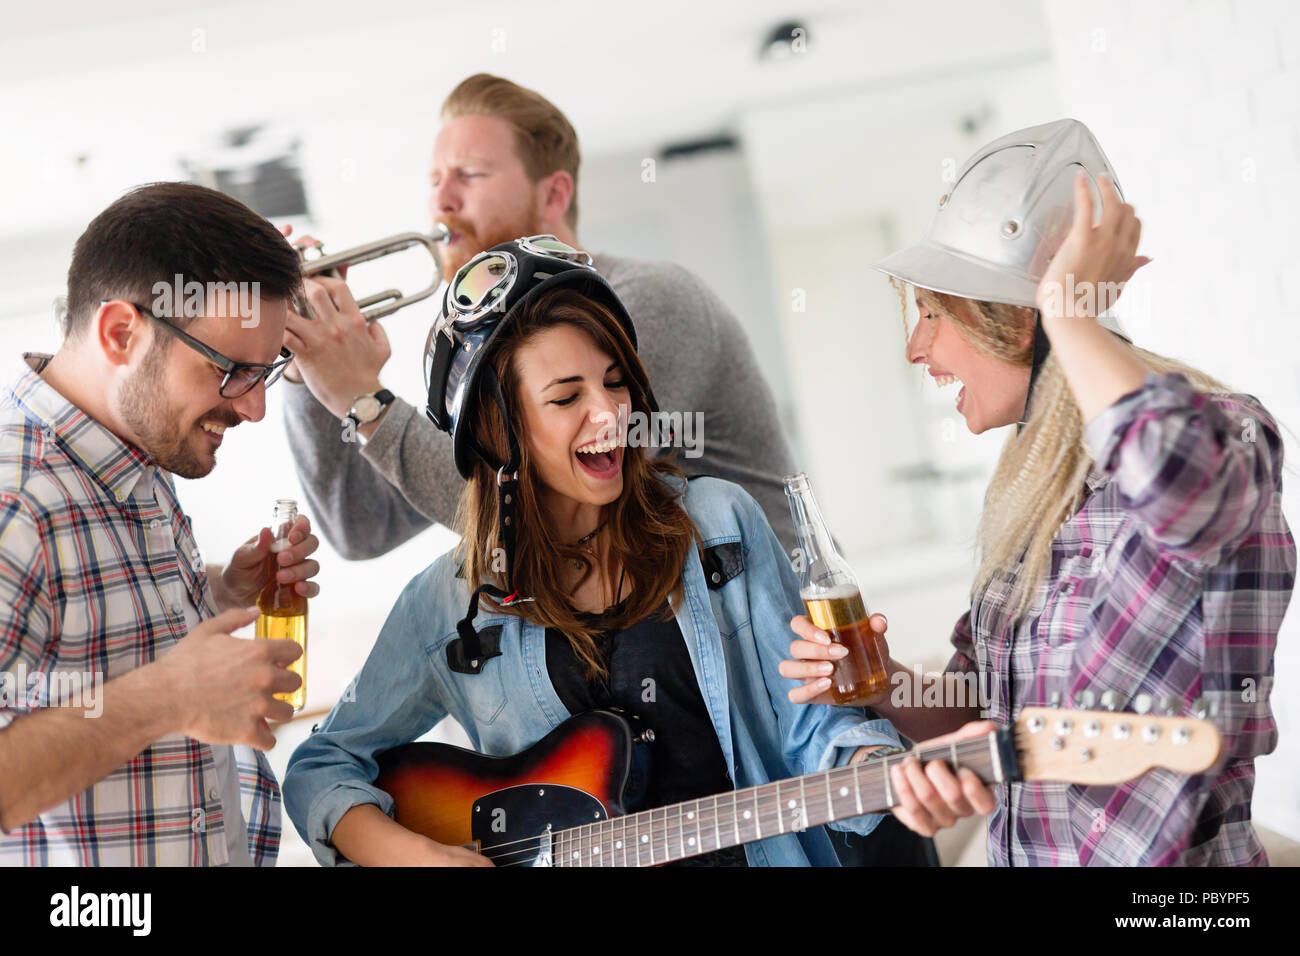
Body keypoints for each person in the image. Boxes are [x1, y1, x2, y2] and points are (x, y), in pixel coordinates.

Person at [280, 72, 936, 866]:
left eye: (472, 175)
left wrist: (367, 402)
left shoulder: (653, 317)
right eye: (566, 395)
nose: (612, 413)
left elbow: (820, 732)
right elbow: (367, 531)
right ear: (501, 425)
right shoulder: (448, 603)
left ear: (553, 194)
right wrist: (309, 367)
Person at [782, 119, 1295, 865]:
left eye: (932, 313)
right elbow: (989, 707)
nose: (915, 348)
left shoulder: (1220, 435)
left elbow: (1176, 489)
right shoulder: (1035, 474)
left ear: (1018, 319)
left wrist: (1070, 311)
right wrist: (884, 682)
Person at [0, 182, 324, 865]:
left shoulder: (131, 455)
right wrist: (168, 698)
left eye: (267, 373)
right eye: (231, 370)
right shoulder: (16, 498)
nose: (256, 408)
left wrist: (221, 594)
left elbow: (88, 632)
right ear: (122, 333)